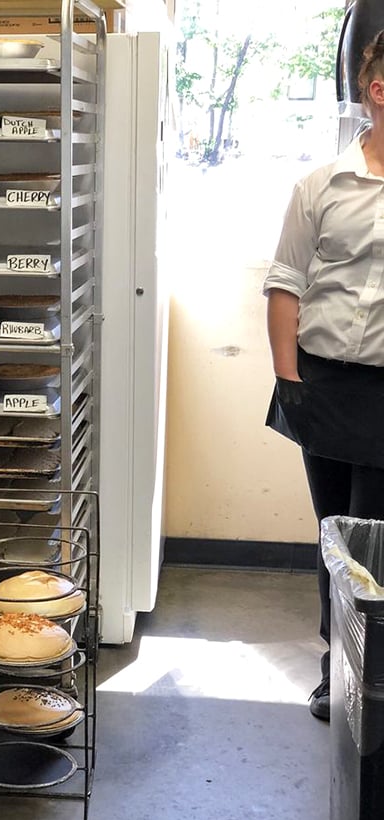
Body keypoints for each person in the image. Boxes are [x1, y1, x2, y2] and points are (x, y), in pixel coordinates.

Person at [263, 30, 384, 722]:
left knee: (375, 534)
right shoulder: (321, 186)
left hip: (382, 391)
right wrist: (289, 383)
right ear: (377, 91)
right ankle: (334, 669)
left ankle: (371, 675)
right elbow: (286, 285)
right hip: (322, 385)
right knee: (336, 533)